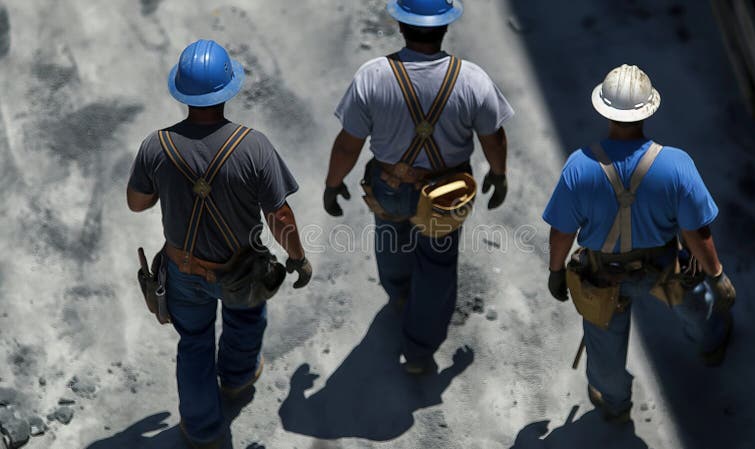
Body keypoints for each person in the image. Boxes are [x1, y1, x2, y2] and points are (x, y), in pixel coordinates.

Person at [126, 39, 312, 449]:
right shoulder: (254, 146)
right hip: (241, 268)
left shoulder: (156, 146)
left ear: (182, 93)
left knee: (194, 344)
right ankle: (237, 380)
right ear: (229, 90)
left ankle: (202, 430)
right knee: (245, 320)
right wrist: (297, 258)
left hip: (183, 270)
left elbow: (136, 203)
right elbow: (280, 217)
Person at [323, 0, 514, 375]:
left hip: (390, 186)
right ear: (446, 27)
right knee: (437, 265)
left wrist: (333, 183)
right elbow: (494, 138)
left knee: (390, 241)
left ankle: (399, 296)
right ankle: (419, 351)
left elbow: (347, 144)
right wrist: (498, 173)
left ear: (400, 25)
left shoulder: (373, 76)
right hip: (447, 193)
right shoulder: (472, 79)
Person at [543, 64, 737, 423]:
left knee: (604, 346)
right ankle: (712, 345)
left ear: (604, 110)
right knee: (696, 305)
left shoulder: (579, 167)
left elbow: (562, 232)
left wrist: (556, 271)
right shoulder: (676, 165)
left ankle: (614, 403)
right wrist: (717, 275)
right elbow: (697, 232)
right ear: (648, 110)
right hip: (663, 267)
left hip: (603, 276)